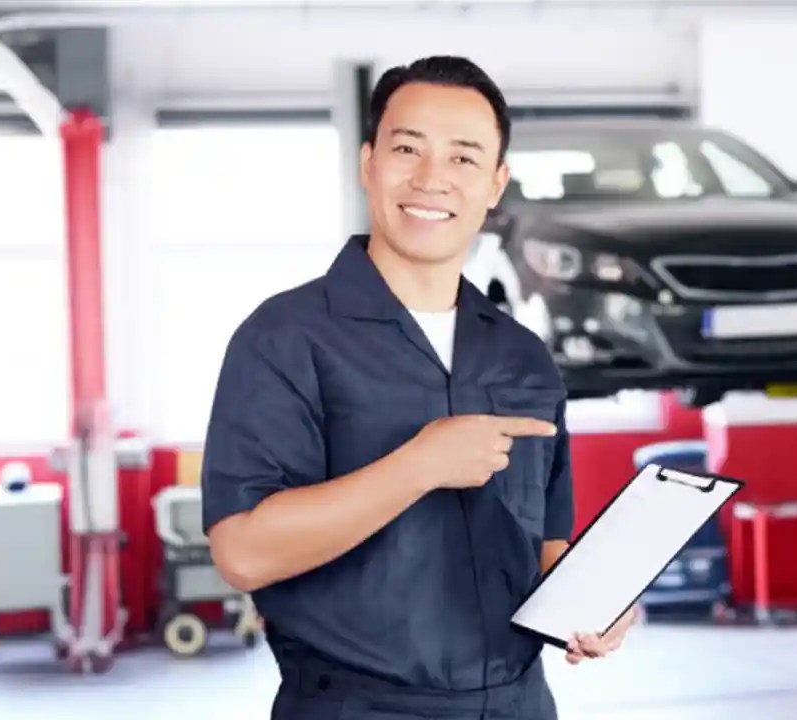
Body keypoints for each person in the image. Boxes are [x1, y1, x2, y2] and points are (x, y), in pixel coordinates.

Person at [201, 55, 635, 720]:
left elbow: (545, 544)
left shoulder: (521, 357)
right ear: (369, 162)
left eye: (464, 158)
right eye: (408, 149)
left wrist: (595, 605)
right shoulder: (286, 339)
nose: (433, 179)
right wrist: (419, 465)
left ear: (496, 183)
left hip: (520, 705)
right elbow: (243, 551)